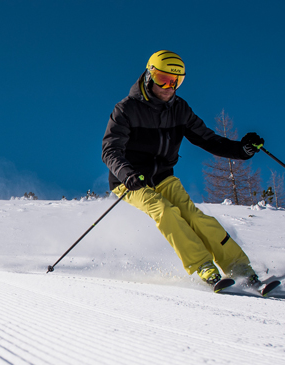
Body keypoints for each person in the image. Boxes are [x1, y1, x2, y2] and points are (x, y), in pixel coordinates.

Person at [101, 50, 266, 288]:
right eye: (163, 79)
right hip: (130, 181)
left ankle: (240, 267)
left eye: (177, 81)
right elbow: (110, 150)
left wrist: (242, 150)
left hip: (163, 178)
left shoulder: (180, 109)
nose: (170, 86)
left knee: (196, 218)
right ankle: (203, 266)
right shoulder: (126, 109)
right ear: (149, 76)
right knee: (164, 210)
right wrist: (127, 174)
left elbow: (208, 139)